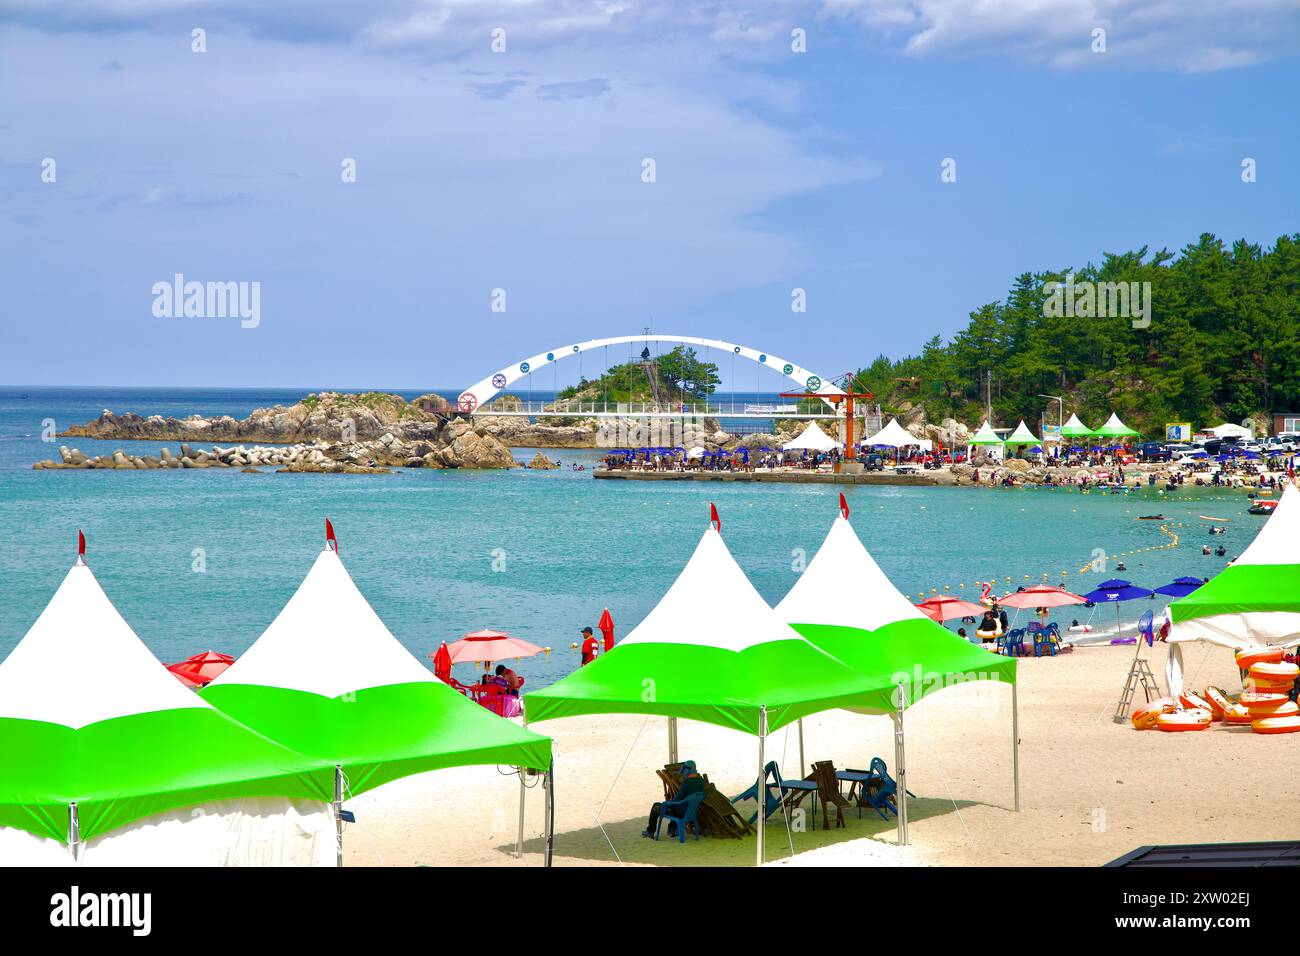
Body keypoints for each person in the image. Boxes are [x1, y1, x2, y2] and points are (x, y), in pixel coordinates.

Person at [642, 760, 705, 839]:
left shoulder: (687, 783)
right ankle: (673, 829)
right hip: (691, 811)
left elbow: (677, 799)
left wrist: (668, 802)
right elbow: (703, 796)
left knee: (656, 806)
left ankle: (650, 831)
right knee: (675, 806)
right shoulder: (701, 781)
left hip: (680, 812)